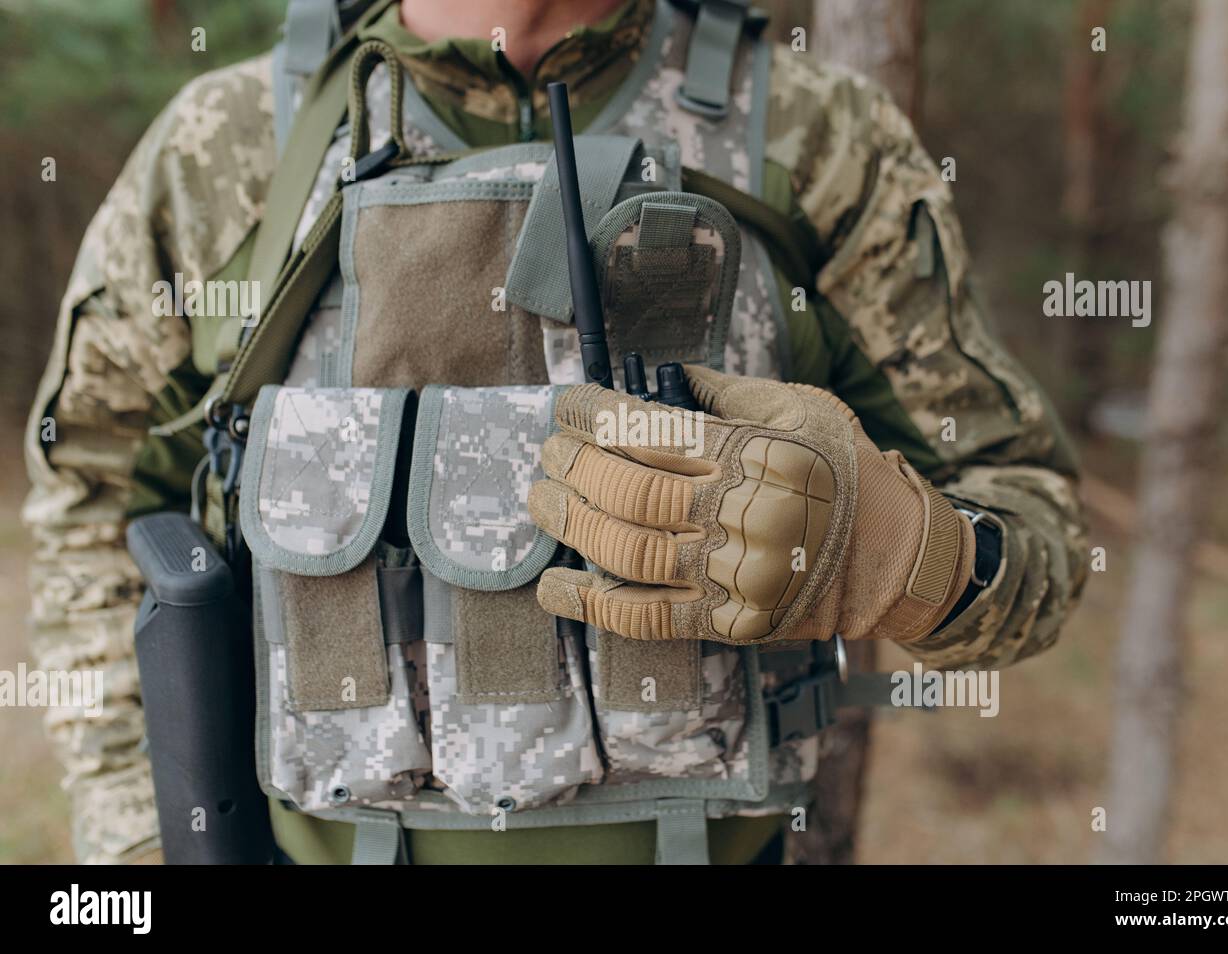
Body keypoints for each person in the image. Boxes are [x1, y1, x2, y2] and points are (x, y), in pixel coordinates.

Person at [23, 0, 1087, 865]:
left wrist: (893, 552)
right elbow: (95, 503)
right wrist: (144, 846)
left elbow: (1034, 539)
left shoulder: (813, 138)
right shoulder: (229, 147)